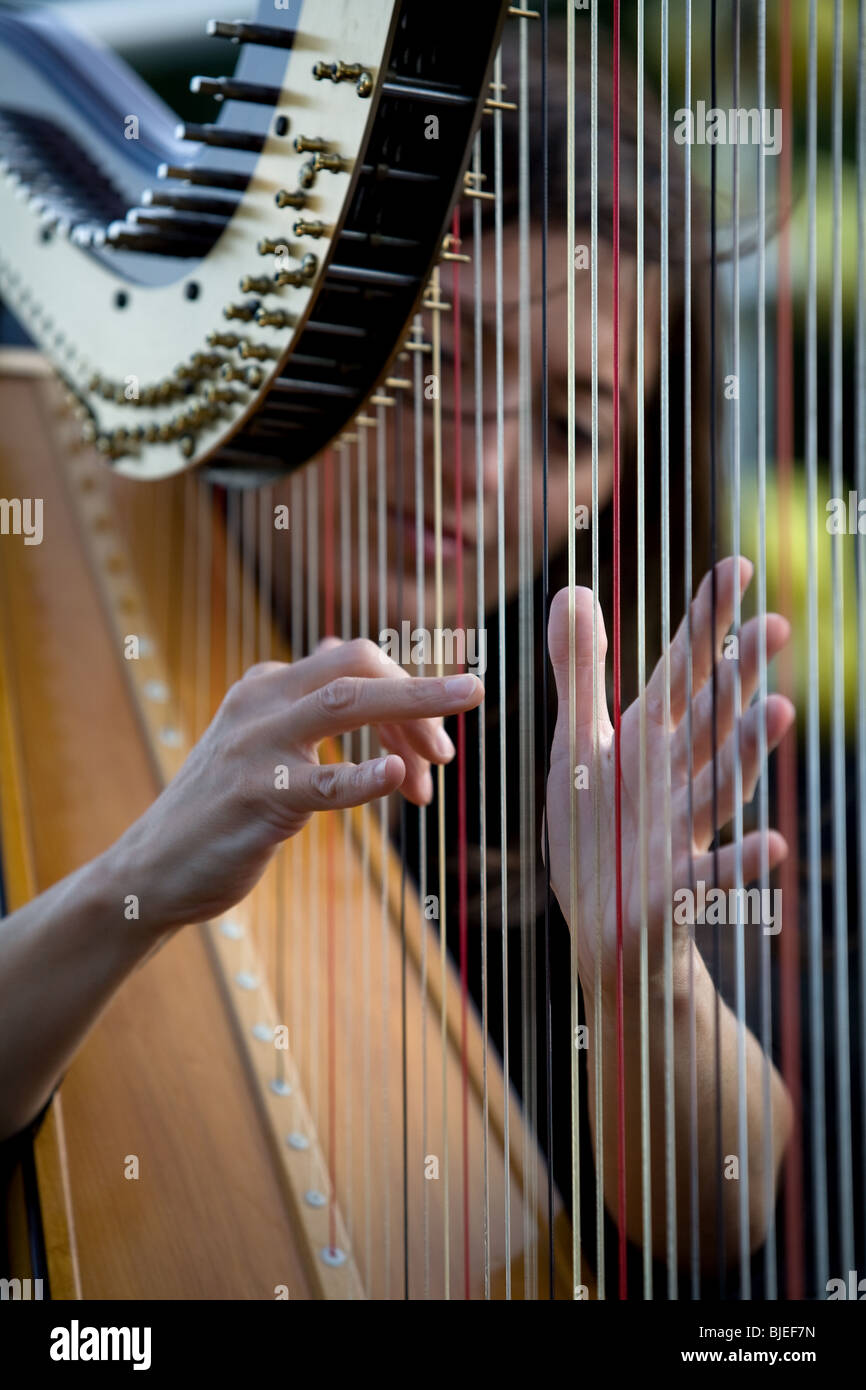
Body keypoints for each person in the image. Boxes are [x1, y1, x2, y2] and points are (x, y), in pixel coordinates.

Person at [0, 22, 793, 1292]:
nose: (476, 471)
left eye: (565, 423)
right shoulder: (33, 538)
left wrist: (646, 982)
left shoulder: (618, 745)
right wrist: (132, 879)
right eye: (433, 366)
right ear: (320, 335)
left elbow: (722, 1222)